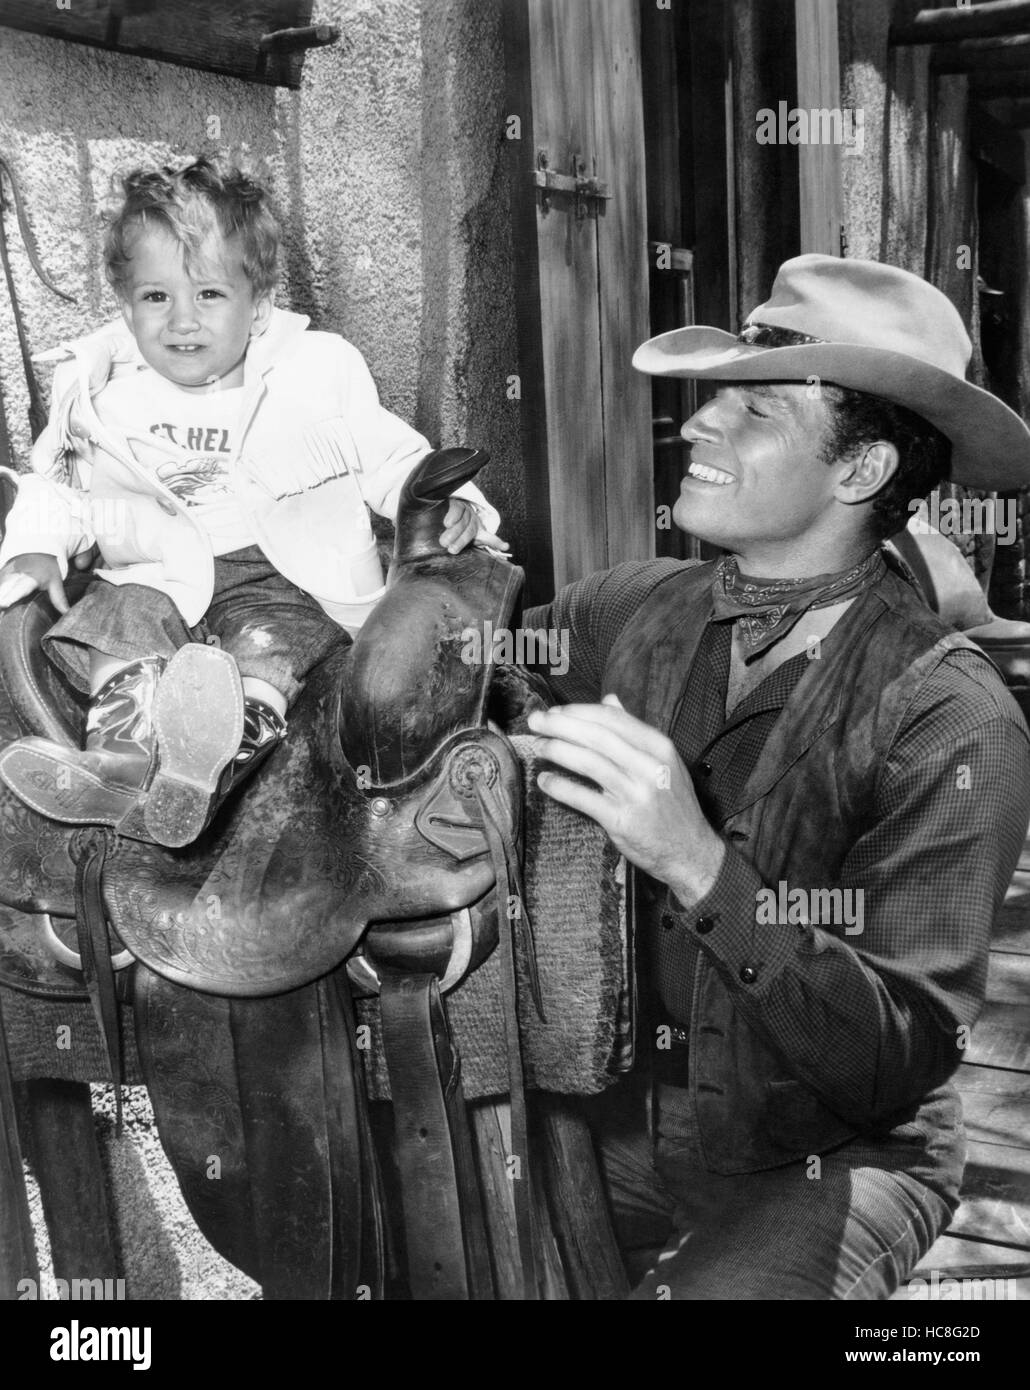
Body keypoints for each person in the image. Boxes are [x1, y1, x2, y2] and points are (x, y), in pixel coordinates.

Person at [523, 254, 1030, 1300]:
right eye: (716, 398)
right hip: (623, 1117)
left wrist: (697, 862)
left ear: (861, 470)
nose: (699, 425)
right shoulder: (629, 606)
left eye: (755, 409)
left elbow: (895, 1054)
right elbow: (472, 680)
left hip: (841, 1147)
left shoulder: (952, 717)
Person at [0, 157, 502, 848]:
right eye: (156, 296)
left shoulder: (313, 376)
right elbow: (59, 489)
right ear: (125, 305)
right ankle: (118, 760)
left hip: (277, 575)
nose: (182, 319)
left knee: (275, 645)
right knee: (119, 613)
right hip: (160, 576)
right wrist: (36, 545)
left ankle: (216, 761)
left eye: (209, 293)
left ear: (258, 305)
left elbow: (392, 456)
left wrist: (453, 504)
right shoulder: (108, 402)